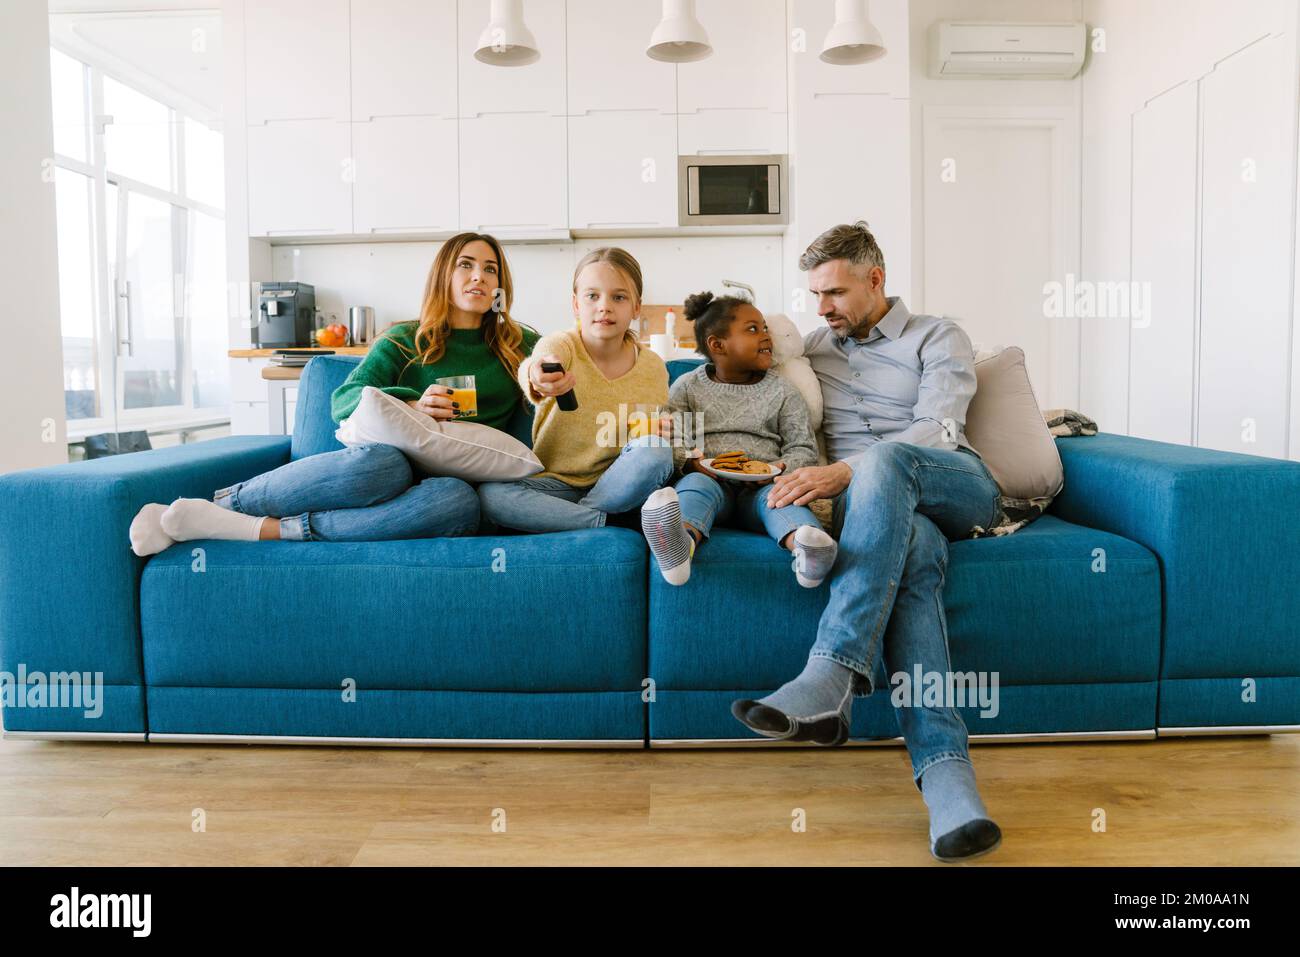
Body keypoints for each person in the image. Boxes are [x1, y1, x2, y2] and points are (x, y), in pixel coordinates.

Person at [731, 221, 1005, 862]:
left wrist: (849, 469)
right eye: (813, 297)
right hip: (878, 511)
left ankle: (831, 670)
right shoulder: (810, 351)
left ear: (875, 280)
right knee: (911, 549)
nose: (821, 309)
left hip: (952, 481)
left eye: (832, 293)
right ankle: (948, 784)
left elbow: (938, 429)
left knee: (882, 463)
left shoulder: (937, 335)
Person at [127, 232, 539, 554]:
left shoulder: (518, 345)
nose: (479, 277)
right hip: (387, 470)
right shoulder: (403, 339)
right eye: (466, 265)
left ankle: (261, 530)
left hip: (445, 489)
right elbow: (344, 400)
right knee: (383, 463)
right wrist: (413, 404)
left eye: (491, 269)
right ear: (443, 276)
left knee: (458, 502)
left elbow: (567, 360)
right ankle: (224, 507)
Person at [639, 290, 834, 586]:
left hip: (763, 487)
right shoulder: (687, 387)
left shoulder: (783, 390)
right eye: (753, 329)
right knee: (694, 487)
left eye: (765, 328)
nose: (766, 336)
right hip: (708, 479)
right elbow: (673, 439)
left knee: (781, 501)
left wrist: (779, 469)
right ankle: (680, 545)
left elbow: (803, 448)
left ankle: (807, 546)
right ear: (718, 345)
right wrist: (692, 464)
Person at [477, 247, 673, 532]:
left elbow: (645, 438)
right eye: (592, 296)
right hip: (555, 484)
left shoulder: (653, 367)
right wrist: (535, 376)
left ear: (636, 307)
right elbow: (534, 366)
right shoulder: (561, 346)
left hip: (619, 483)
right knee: (491, 495)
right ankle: (609, 522)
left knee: (655, 450)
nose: (604, 306)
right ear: (576, 304)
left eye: (618, 297)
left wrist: (659, 432)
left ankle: (570, 519)